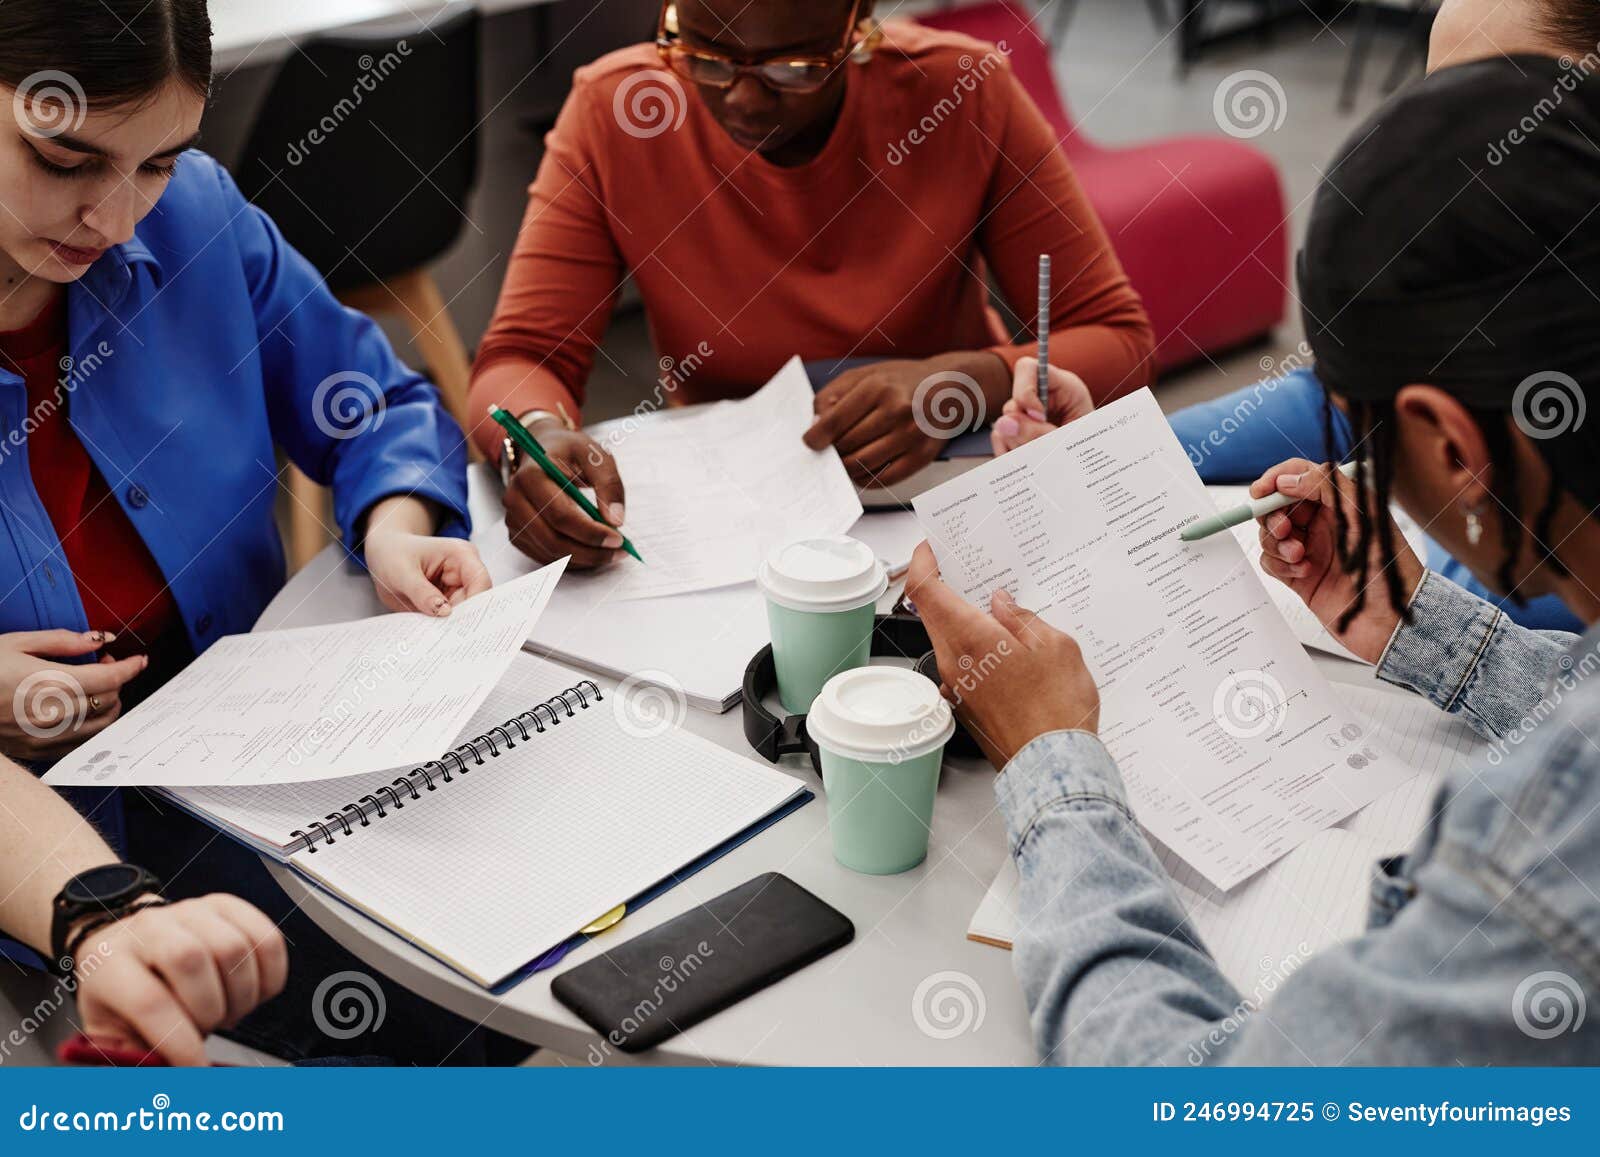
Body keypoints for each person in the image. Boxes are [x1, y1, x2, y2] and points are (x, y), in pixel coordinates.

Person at [909, 55, 1600, 1064]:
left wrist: (1051, 761)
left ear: (1451, 446)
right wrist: (1446, 640)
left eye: (1364, 439)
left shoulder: (1553, 834)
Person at [0, 0, 497, 1064]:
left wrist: (396, 519)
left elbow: (374, 400)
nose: (115, 220)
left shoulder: (198, 226)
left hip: (247, 787)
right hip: (45, 876)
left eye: (158, 164)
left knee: (489, 1001)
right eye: (66, 159)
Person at [469, 0, 1154, 569]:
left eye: (791, 69)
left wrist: (970, 382)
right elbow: (524, 356)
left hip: (958, 487)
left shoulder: (961, 90)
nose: (739, 96)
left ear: (859, 27)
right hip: (736, 524)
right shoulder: (618, 111)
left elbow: (1118, 338)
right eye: (705, 55)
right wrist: (530, 439)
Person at [989, 0, 1591, 634]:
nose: (1434, 142)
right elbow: (1340, 398)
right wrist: (1115, 461)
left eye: (1492, 105)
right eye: (1431, 95)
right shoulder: (1480, 254)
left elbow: (1532, 627)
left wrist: (1430, 624)